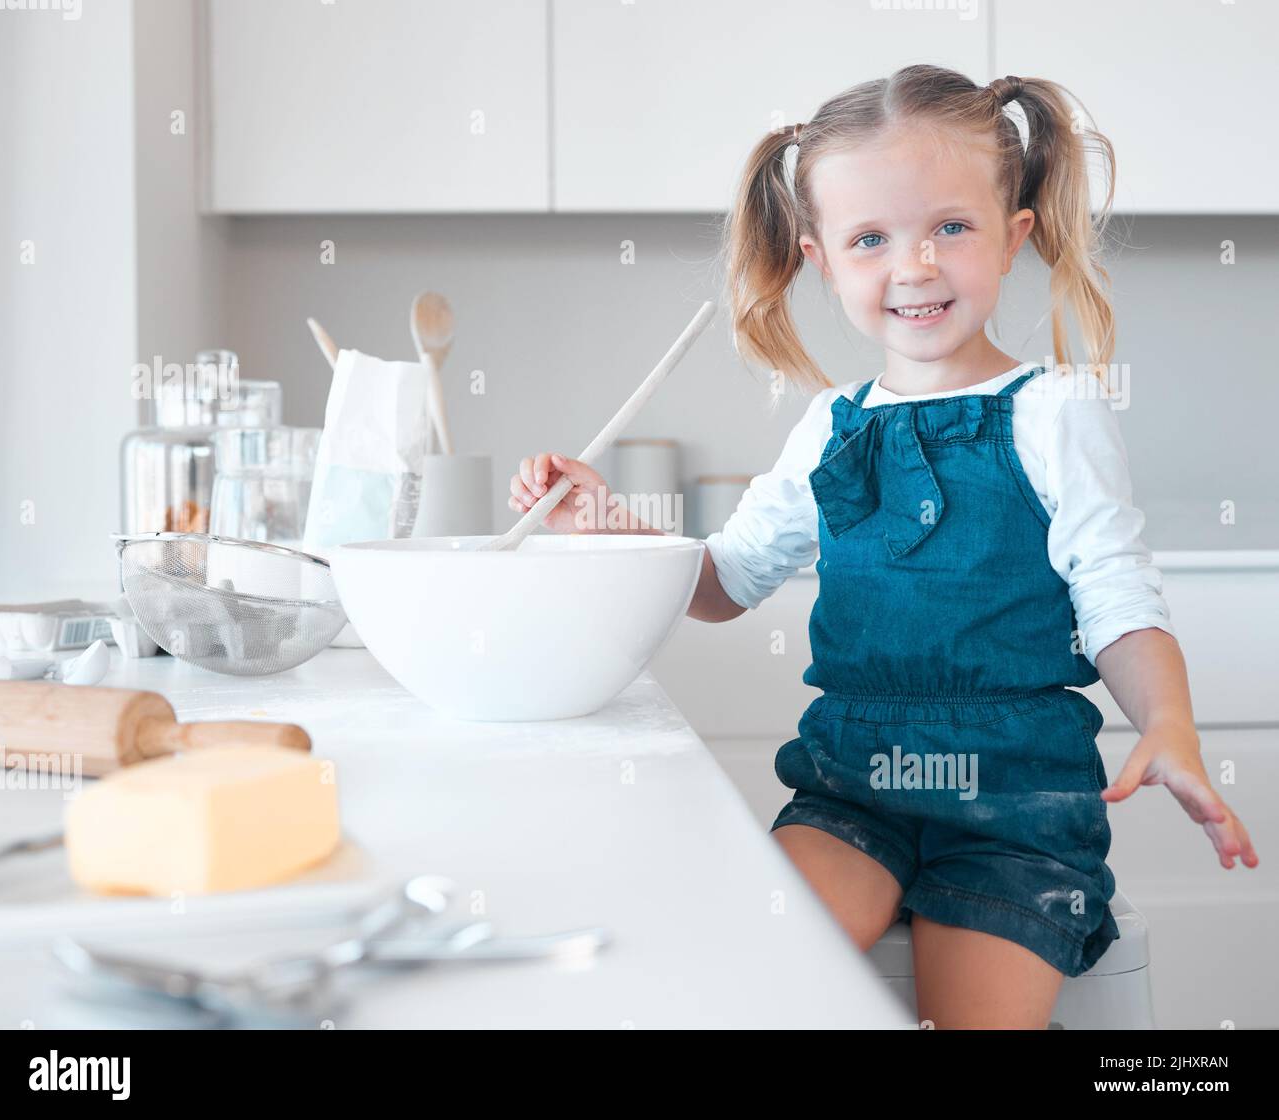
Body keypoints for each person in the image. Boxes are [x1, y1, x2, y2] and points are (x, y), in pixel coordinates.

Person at [507, 64, 1258, 1029]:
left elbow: (1117, 596)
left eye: (950, 226)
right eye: (872, 239)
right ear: (824, 260)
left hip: (1015, 810)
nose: (915, 266)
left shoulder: (1054, 412)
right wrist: (608, 522)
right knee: (754, 977)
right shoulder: (829, 425)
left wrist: (1170, 724)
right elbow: (724, 581)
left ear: (1013, 236)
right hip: (851, 790)